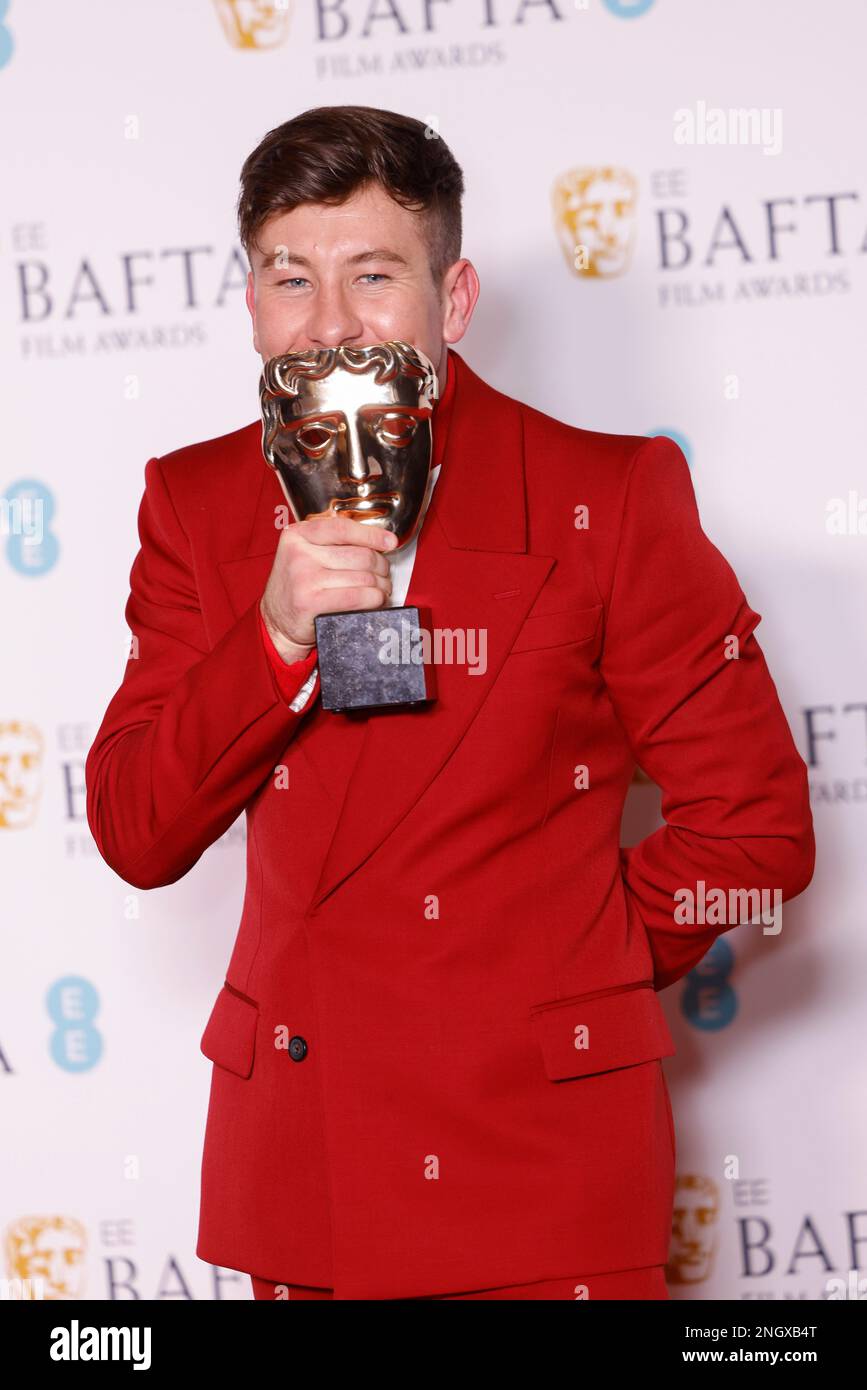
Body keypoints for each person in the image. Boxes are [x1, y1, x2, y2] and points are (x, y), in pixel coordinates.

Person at [85, 105, 815, 1302]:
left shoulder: (607, 495)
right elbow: (134, 828)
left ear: (454, 298)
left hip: (543, 1167)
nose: (328, 322)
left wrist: (552, 971)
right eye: (291, 279)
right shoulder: (197, 504)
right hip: (312, 1172)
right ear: (253, 298)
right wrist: (271, 638)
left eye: (374, 276)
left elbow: (758, 832)